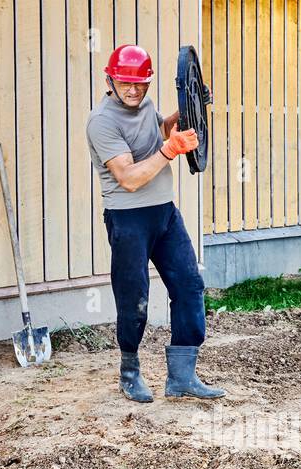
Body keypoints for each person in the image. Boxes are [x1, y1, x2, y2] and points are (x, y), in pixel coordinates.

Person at [85, 43, 224, 402]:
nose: (133, 91)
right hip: (128, 220)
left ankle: (182, 376)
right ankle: (130, 372)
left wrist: (189, 108)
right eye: (125, 83)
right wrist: (170, 151)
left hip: (165, 214)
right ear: (109, 80)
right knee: (135, 300)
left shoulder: (144, 104)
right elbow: (129, 177)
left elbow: (160, 130)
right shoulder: (102, 121)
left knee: (190, 286)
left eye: (140, 84)